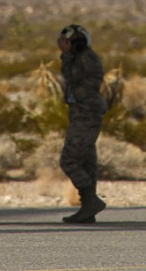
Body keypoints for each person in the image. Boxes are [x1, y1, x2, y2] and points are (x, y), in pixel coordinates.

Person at [57, 24, 107, 223]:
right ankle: (88, 210)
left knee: (68, 160)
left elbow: (73, 78)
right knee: (86, 162)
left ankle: (90, 200)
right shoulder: (82, 57)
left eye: (65, 42)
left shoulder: (84, 59)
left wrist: (66, 56)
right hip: (83, 113)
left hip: (86, 114)